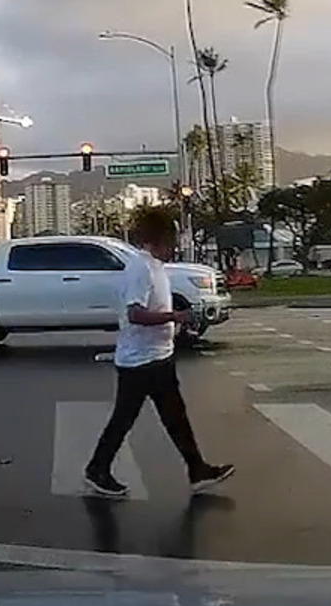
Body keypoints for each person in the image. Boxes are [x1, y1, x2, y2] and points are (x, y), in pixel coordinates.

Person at [84, 208, 235, 499]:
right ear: (157, 238)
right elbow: (136, 314)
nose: (175, 246)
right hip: (141, 361)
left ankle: (196, 469)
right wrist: (174, 317)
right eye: (171, 240)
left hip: (156, 357)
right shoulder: (140, 269)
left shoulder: (154, 267)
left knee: (172, 417)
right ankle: (97, 469)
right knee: (129, 418)